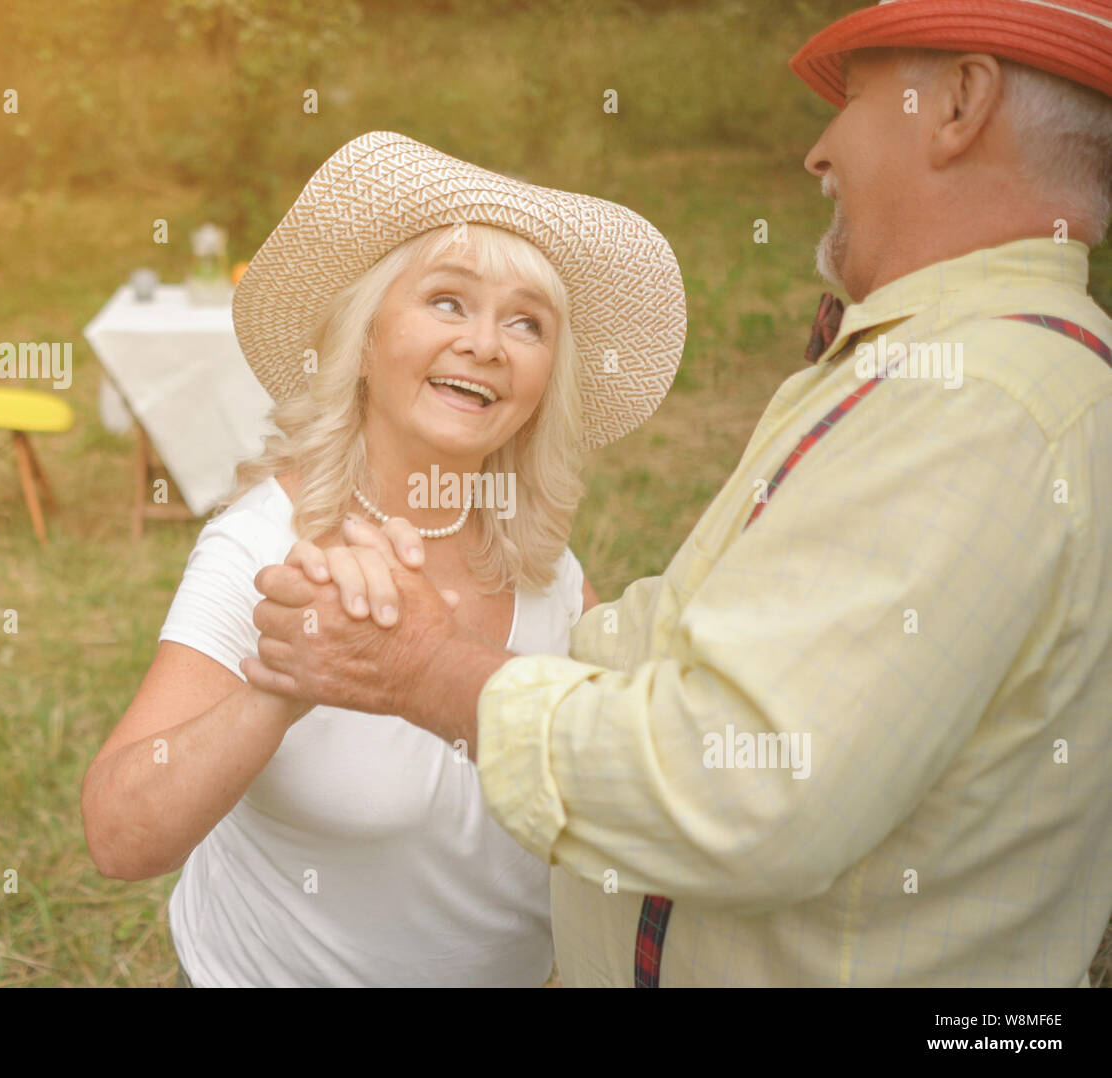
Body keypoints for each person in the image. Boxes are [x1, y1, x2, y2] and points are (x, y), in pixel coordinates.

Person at [244, 0, 1112, 987]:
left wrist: (421, 668)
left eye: (856, 100)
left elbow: (741, 788)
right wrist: (541, 629)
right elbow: (758, 624)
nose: (817, 154)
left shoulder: (973, 403)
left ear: (957, 102)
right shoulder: (988, 378)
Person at [79, 131, 686, 987]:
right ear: (363, 342)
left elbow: (601, 779)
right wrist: (281, 685)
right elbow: (118, 836)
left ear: (546, 379)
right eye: (447, 301)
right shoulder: (261, 544)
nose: (486, 343)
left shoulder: (548, 566)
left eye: (527, 323)